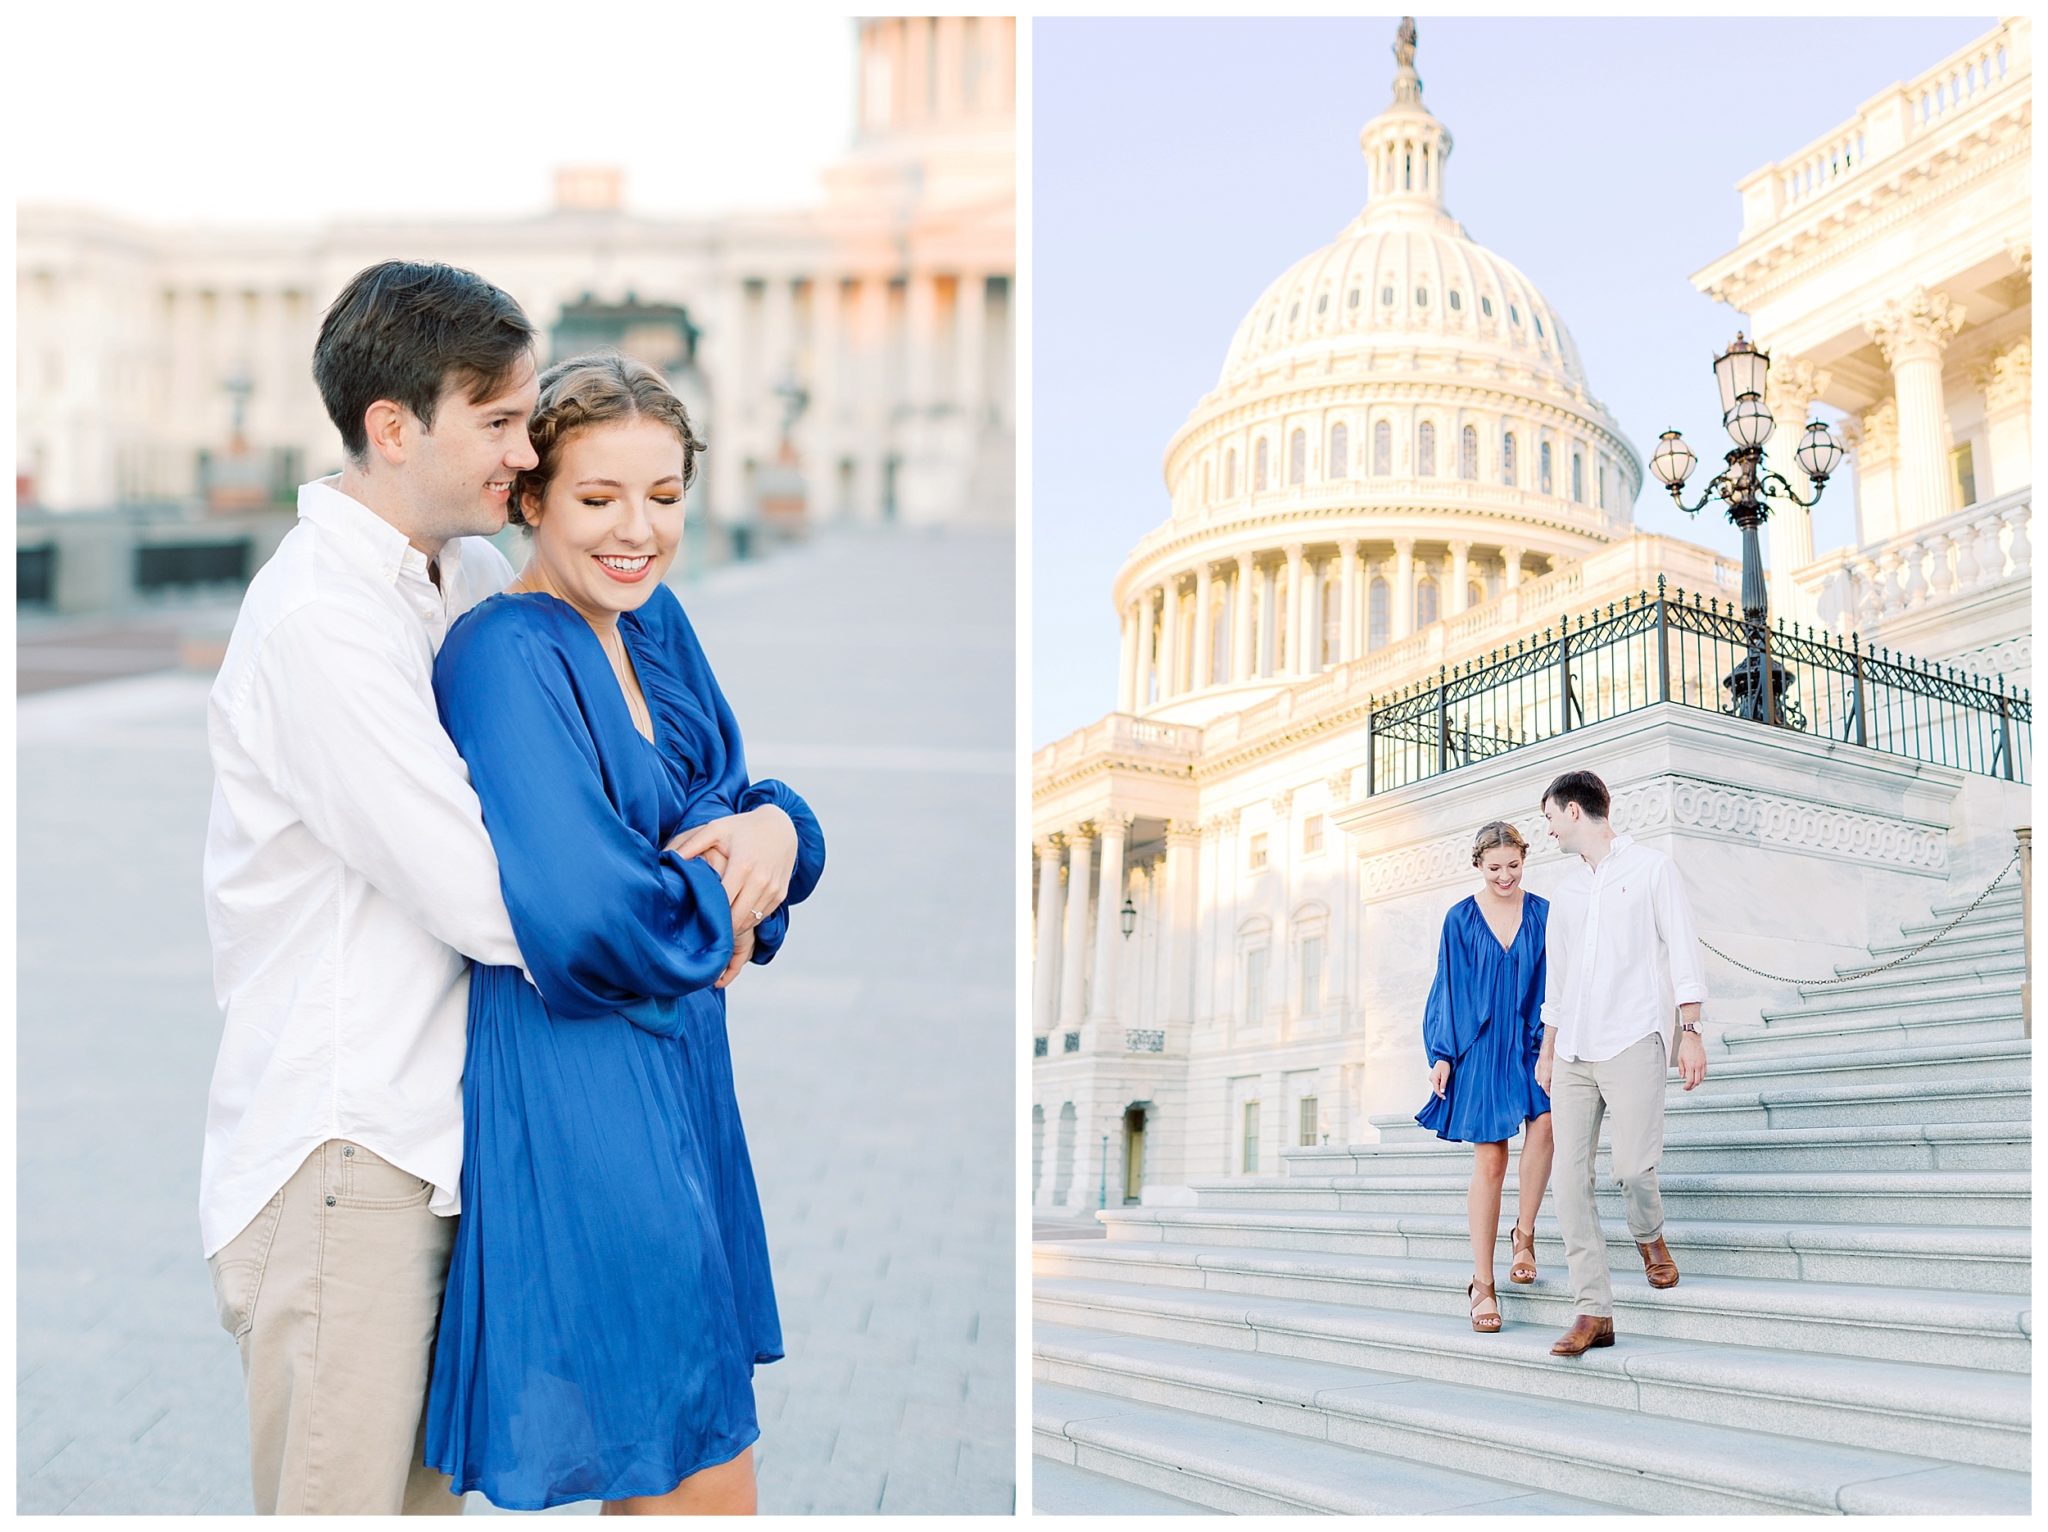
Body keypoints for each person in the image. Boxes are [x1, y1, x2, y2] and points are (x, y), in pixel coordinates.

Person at [423, 353, 826, 1515]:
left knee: (674, 1444)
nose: (636, 531)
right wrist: (736, 886)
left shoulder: (655, 625)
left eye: (663, 496)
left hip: (685, 1069)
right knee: (690, 1453)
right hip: (582, 1079)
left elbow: (735, 799)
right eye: (598, 498)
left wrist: (780, 834)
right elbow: (592, 916)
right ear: (529, 499)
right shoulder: (505, 652)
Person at [199, 260, 545, 1513]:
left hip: (433, 1141)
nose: (529, 444)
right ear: (393, 429)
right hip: (345, 1154)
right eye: (500, 420)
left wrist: (763, 824)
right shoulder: (319, 620)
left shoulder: (470, 582)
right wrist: (677, 916)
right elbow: (482, 891)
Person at [1536, 769, 1708, 1358]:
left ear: (1575, 812)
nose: (1550, 829)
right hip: (1574, 1051)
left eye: (1552, 817)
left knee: (1633, 1169)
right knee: (1567, 1184)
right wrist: (1547, 1048)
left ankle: (1649, 1235)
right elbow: (1556, 979)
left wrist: (1690, 1031)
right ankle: (1593, 1310)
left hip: (1635, 1036)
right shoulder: (1566, 894)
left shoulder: (1652, 869)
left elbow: (1683, 949)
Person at [1416, 821, 1555, 1334]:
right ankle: (1483, 1283)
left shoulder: (1544, 913)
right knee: (1492, 1160)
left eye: (1514, 866)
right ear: (1478, 865)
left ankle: (1525, 1234)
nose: (1505, 876)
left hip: (1531, 1041)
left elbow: (1555, 982)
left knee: (1545, 1126)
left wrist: (1552, 1045)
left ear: (1524, 859)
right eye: (1494, 867)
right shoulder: (1459, 918)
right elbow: (1447, 987)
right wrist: (1443, 1055)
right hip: (1478, 1049)